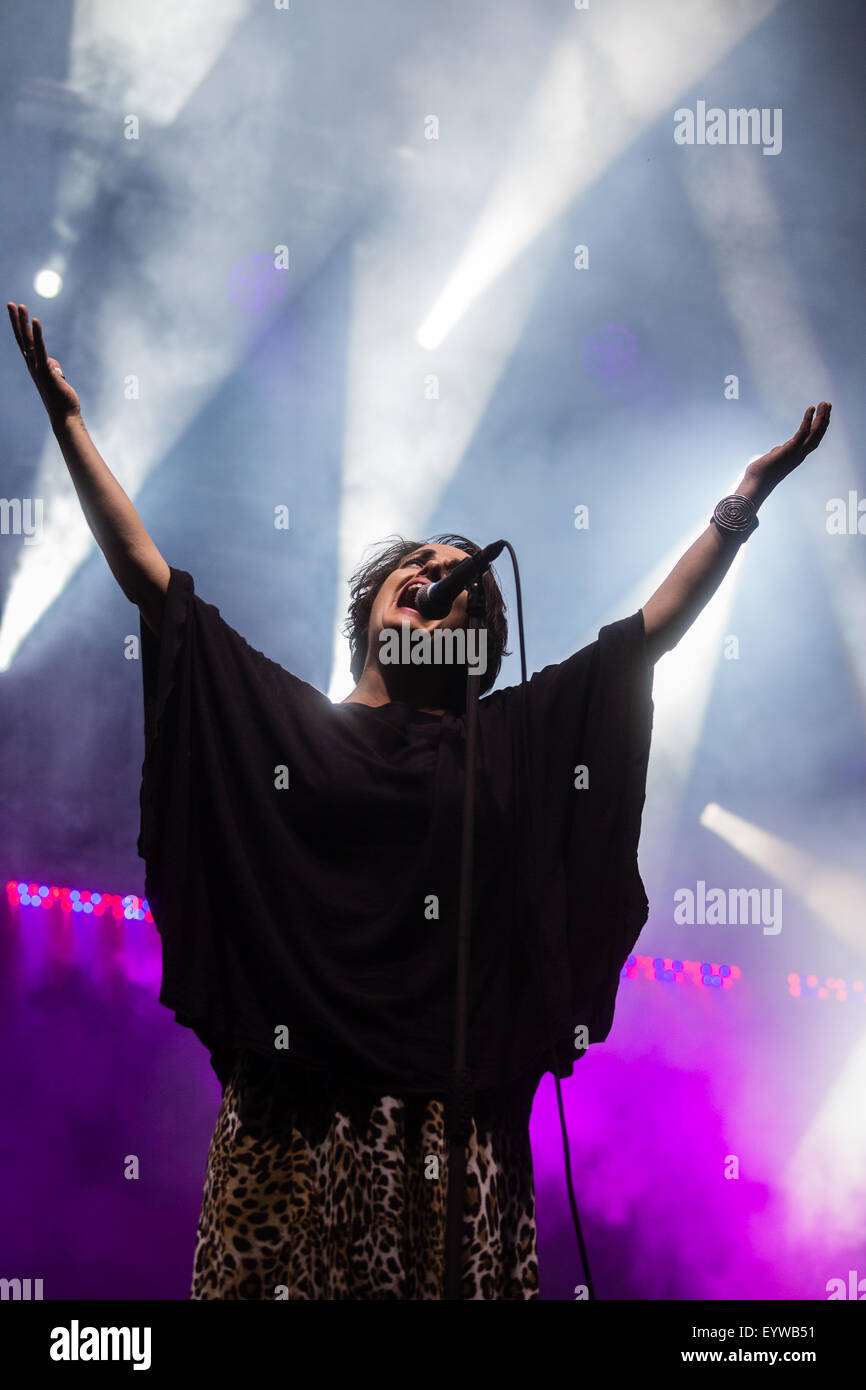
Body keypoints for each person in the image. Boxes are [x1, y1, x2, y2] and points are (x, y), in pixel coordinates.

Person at [7, 301, 831, 1300]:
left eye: (461, 584)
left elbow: (642, 639)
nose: (443, 581)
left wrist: (740, 502)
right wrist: (68, 424)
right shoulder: (290, 725)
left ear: (475, 638)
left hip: (455, 1128)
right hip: (297, 1120)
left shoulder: (508, 742)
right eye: (421, 571)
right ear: (374, 611)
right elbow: (154, 585)